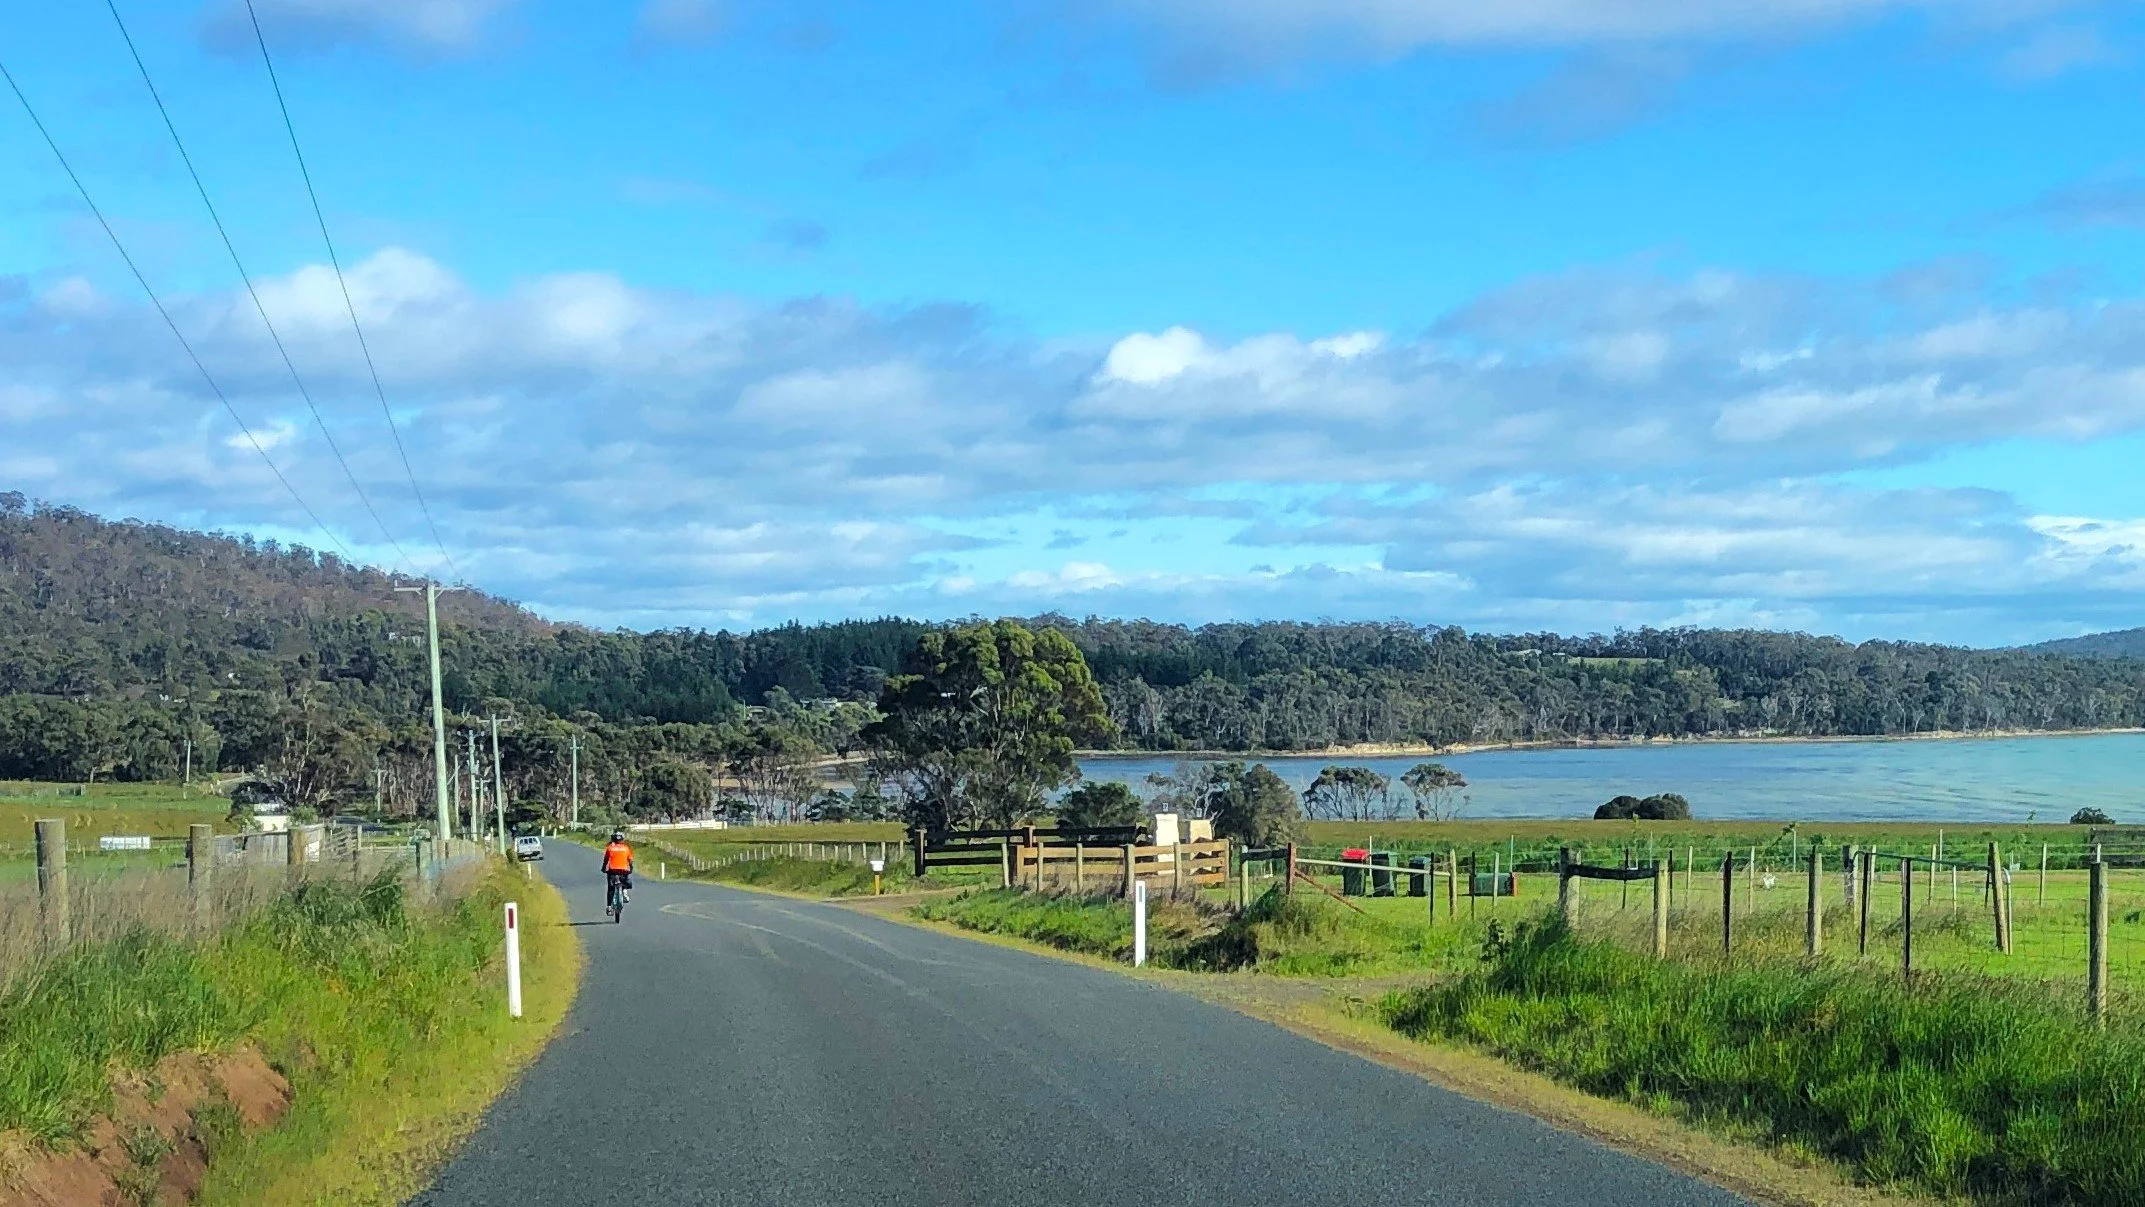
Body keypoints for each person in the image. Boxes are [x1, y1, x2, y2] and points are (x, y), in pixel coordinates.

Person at [601, 831, 634, 906]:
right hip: (623, 871)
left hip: (612, 871)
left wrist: (603, 868)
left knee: (611, 888)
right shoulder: (626, 848)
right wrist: (631, 868)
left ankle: (609, 907)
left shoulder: (610, 848)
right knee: (625, 882)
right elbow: (630, 860)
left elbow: (606, 860)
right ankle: (624, 892)